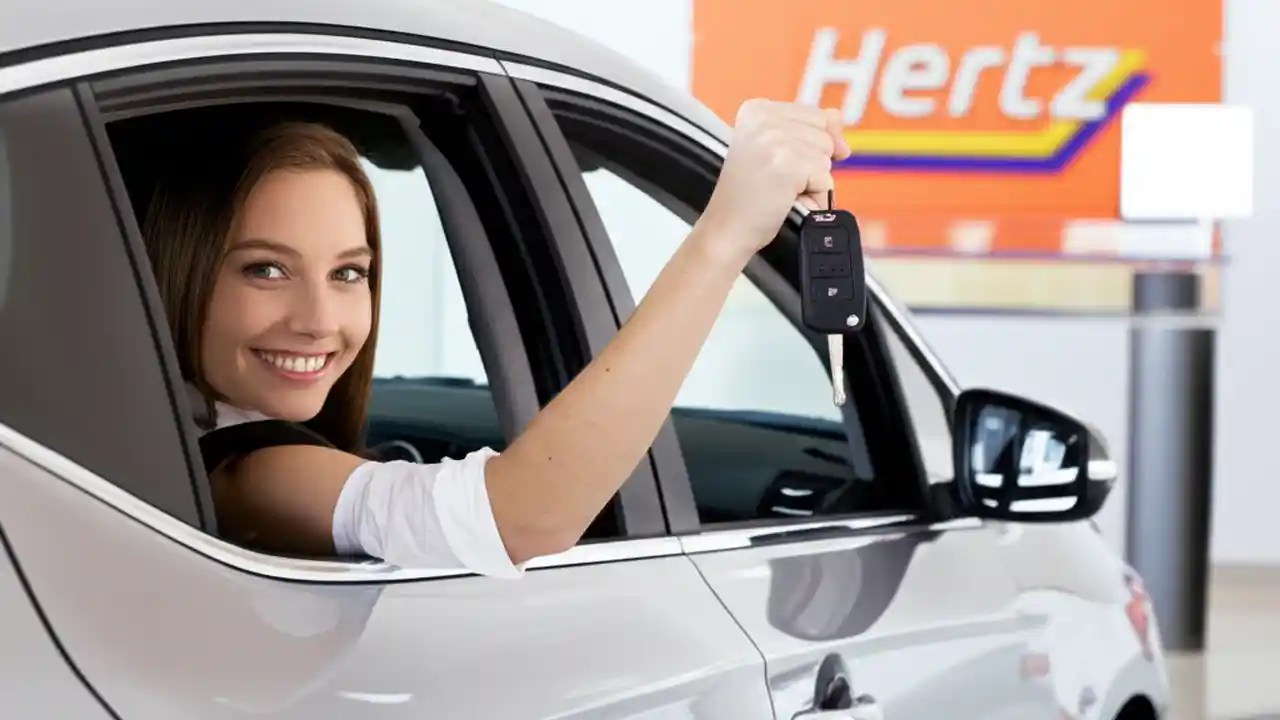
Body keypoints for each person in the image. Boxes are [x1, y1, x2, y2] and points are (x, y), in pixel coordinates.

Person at [141, 99, 852, 577]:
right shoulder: (247, 471)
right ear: (181, 270)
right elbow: (520, 515)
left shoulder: (166, 439)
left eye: (349, 273)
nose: (319, 320)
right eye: (266, 269)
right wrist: (724, 238)